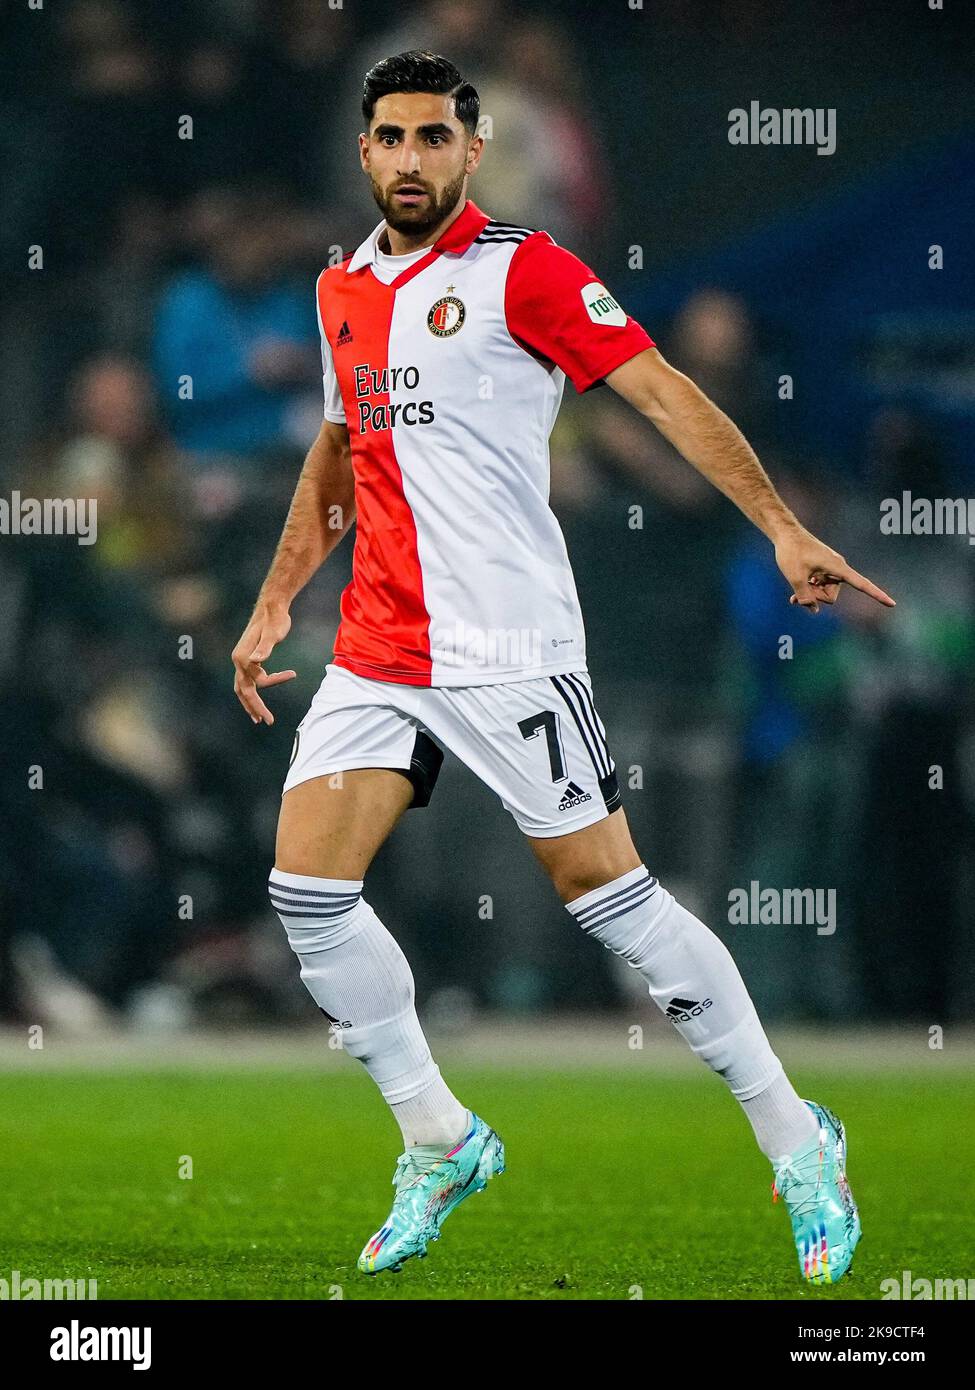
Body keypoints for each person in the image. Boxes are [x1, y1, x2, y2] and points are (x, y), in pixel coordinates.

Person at [231, 51, 894, 1282]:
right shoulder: (340, 291)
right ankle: (440, 1135)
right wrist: (276, 601)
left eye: (437, 137)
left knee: (616, 906)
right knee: (307, 896)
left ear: (471, 151)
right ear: (365, 151)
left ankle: (800, 1138)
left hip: (508, 647)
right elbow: (337, 457)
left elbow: (661, 393)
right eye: (392, 138)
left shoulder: (524, 270)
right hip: (380, 647)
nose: (413, 158)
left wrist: (782, 524)